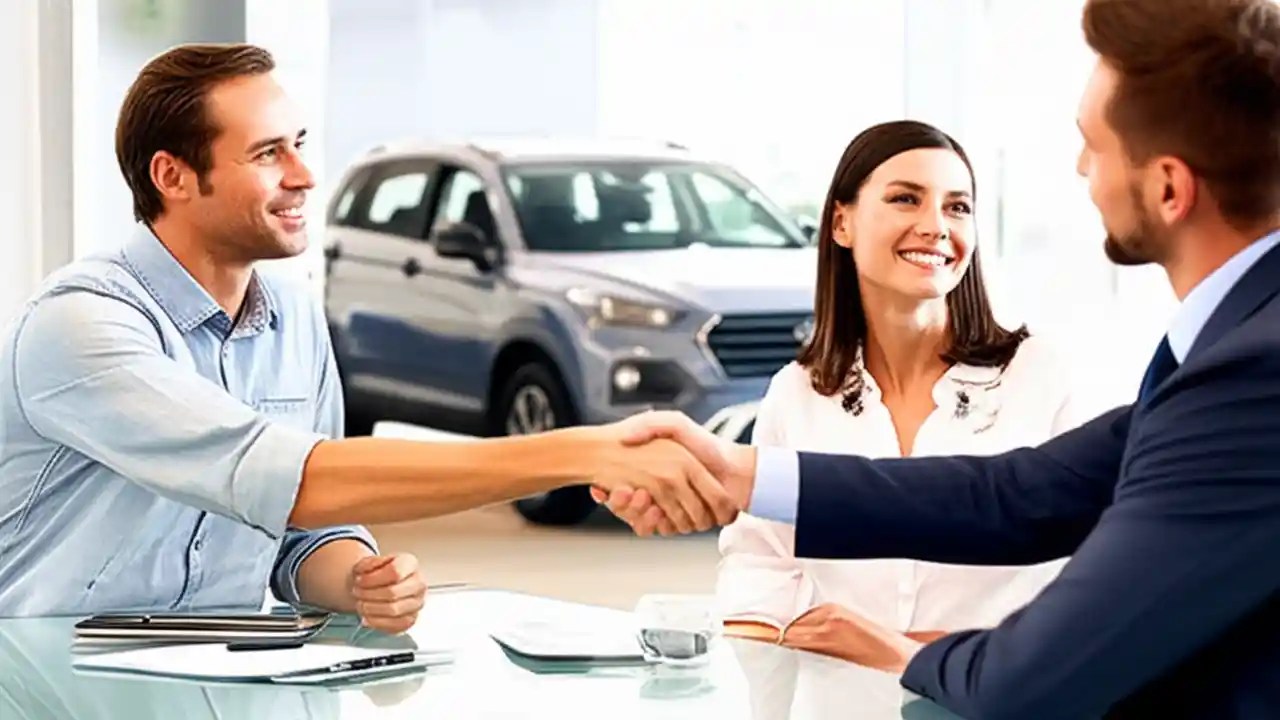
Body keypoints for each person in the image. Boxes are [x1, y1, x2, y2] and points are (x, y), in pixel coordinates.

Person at [600, 0, 1280, 717]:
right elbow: (1020, 495)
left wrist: (906, 652)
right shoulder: (1233, 350)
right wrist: (737, 472)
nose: (1081, 169)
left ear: (1169, 188)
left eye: (1094, 145)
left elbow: (1038, 677)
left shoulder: (1250, 379)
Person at [0, 43, 735, 620]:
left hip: (209, 675)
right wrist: (584, 449)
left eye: (299, 143)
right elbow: (294, 481)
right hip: (47, 682)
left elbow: (306, 536)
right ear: (173, 176)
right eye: (267, 154)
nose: (306, 175)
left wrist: (356, 576)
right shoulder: (81, 324)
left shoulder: (292, 318)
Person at [714, 120, 1080, 717]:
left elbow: (1086, 578)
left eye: (957, 206)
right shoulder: (797, 393)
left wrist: (913, 651)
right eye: (906, 198)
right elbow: (760, 560)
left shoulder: (1043, 376)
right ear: (842, 223)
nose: (936, 224)